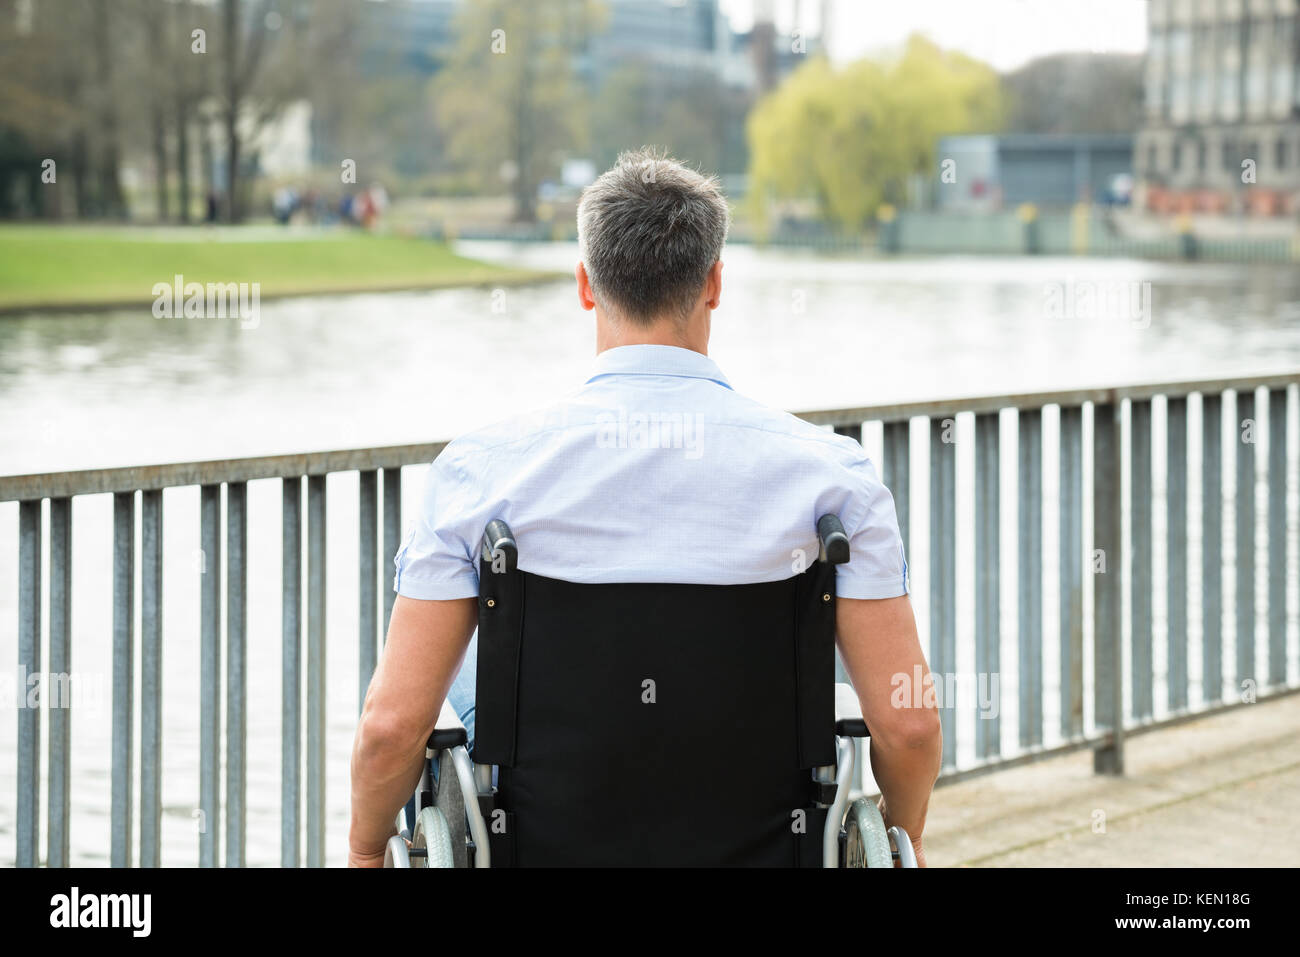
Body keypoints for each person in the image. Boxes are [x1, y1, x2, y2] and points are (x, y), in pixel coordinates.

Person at [348, 149, 942, 867]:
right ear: (715, 283)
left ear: (585, 286)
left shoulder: (479, 476)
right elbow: (908, 728)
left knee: (477, 671)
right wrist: (902, 832)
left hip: (542, 845)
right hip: (763, 845)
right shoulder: (832, 482)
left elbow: (390, 728)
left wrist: (361, 852)